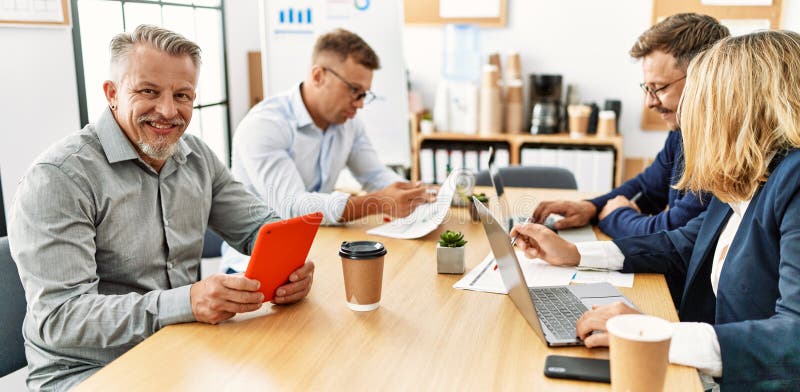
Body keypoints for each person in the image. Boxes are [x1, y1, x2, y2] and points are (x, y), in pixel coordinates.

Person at [8, 25, 315, 391]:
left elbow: (261, 229)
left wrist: (290, 271)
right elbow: (60, 319)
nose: (168, 111)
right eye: (148, 91)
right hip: (88, 372)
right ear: (112, 93)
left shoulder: (197, 156)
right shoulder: (59, 178)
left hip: (183, 349)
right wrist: (186, 302)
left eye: (183, 95)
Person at [512, 30, 800, 390]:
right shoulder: (750, 173)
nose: (696, 117)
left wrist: (657, 335)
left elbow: (794, 340)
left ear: (743, 108)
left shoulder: (794, 179)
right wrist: (575, 253)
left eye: (706, 101)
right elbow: (683, 244)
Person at [220, 28, 431, 272]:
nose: (361, 103)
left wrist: (420, 194)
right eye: (354, 90)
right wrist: (378, 202)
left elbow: (376, 177)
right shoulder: (265, 125)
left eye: (364, 94)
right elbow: (292, 207)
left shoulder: (347, 123)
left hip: (315, 252)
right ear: (319, 76)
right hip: (252, 266)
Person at [533, 13, 729, 238]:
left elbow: (672, 232)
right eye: (647, 88)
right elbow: (647, 189)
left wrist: (615, 216)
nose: (650, 102)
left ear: (703, 79)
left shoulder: (722, 148)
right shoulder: (682, 131)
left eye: (660, 88)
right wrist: (591, 207)